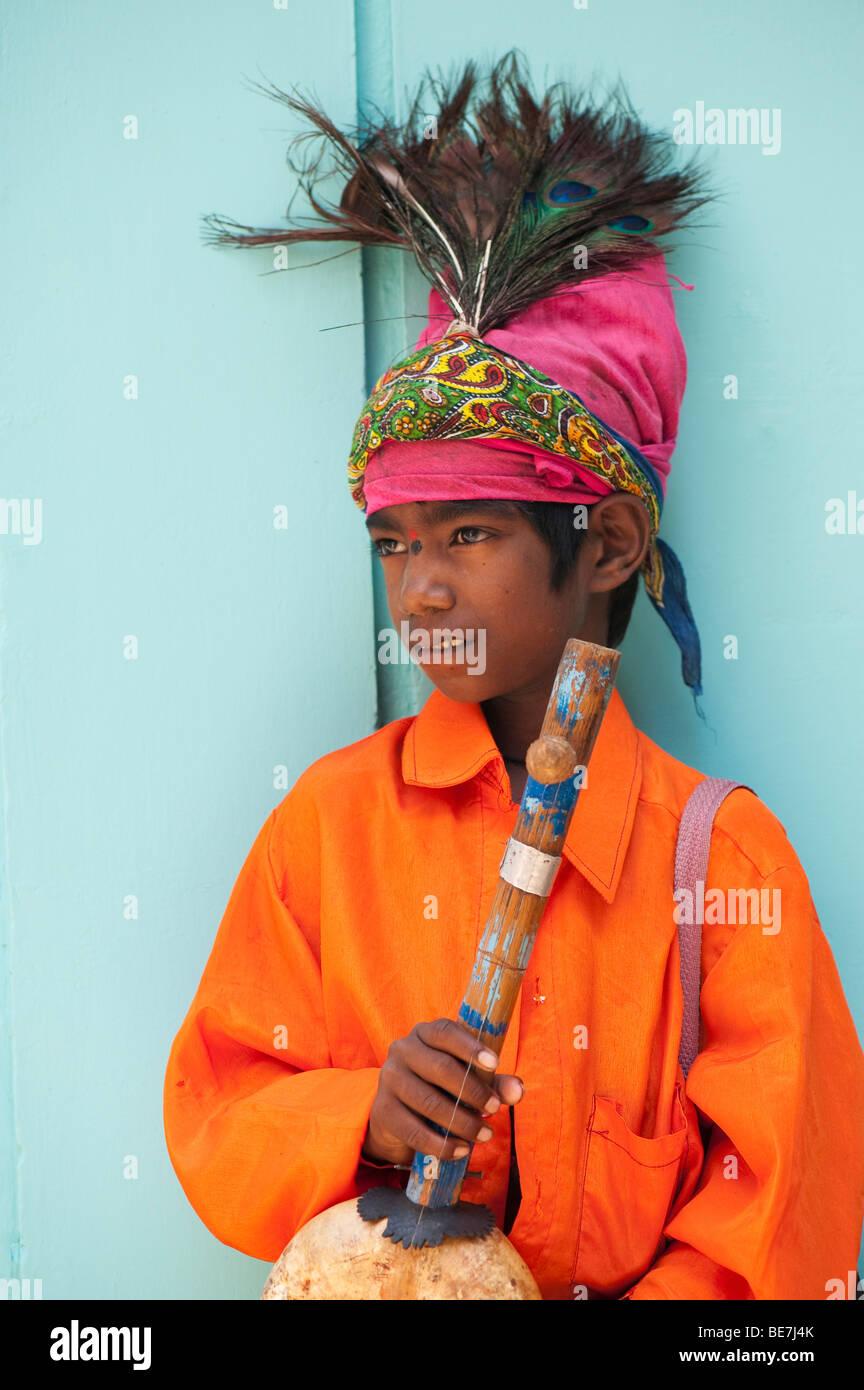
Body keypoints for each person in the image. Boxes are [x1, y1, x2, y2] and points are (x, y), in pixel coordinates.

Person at [164, 54, 864, 1299]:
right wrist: (360, 1117)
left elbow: (777, 1242)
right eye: (395, 542)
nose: (419, 588)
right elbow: (219, 1105)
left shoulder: (728, 870)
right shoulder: (326, 831)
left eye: (468, 535)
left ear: (604, 544)